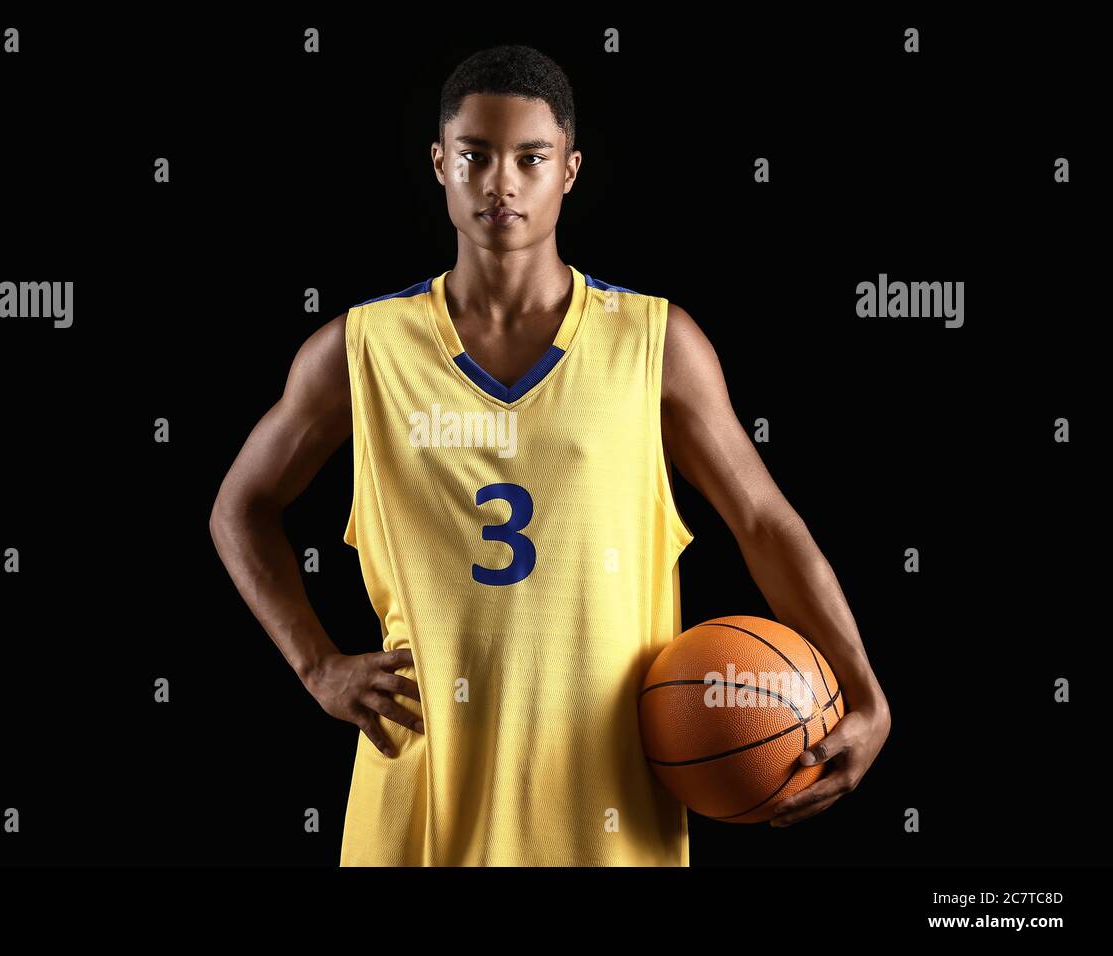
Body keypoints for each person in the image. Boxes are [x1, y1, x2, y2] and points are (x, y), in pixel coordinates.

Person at [209, 44, 890, 865]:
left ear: (568, 170)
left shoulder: (655, 343)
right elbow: (238, 509)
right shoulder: (359, 350)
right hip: (420, 790)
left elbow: (764, 522)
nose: (501, 182)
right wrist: (318, 666)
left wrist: (866, 692)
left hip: (604, 802)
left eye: (530, 158)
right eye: (476, 156)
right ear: (440, 164)